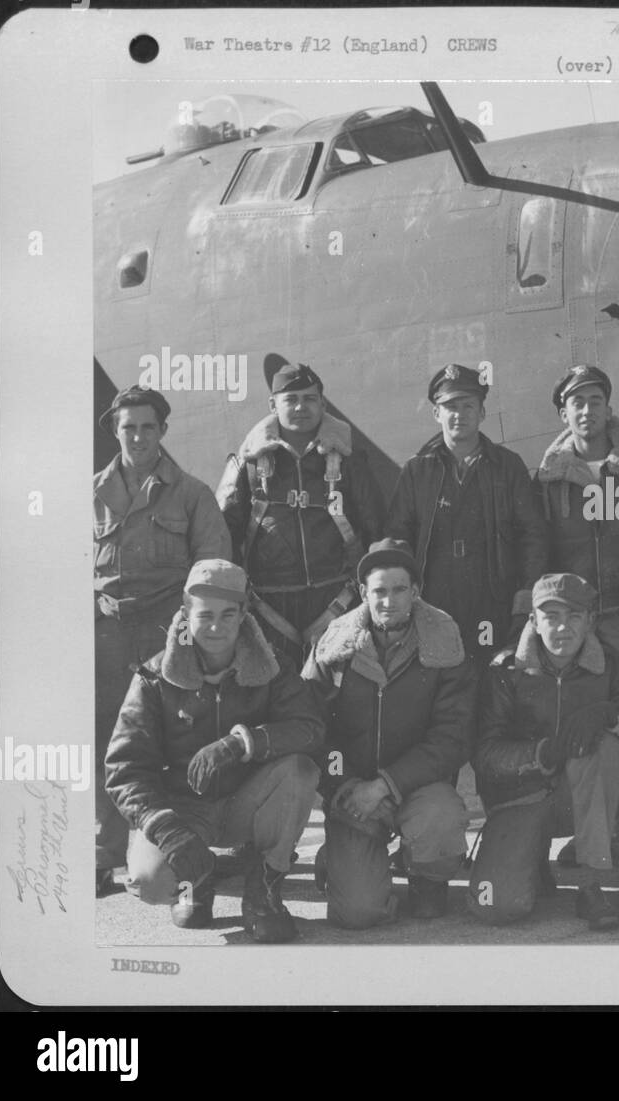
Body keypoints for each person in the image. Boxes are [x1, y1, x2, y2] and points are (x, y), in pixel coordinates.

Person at [104, 560, 324, 942]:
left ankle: (263, 890)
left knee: (300, 771)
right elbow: (124, 767)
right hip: (184, 810)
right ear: (186, 615)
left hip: (246, 803)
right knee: (149, 881)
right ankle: (196, 883)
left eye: (228, 614)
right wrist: (165, 827)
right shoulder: (154, 677)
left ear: (243, 615)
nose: (216, 627)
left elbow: (310, 730)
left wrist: (243, 743)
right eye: (204, 615)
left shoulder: (273, 667)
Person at [94, 385, 231, 896]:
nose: (138, 436)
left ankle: (180, 843)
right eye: (128, 426)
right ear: (115, 430)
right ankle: (104, 852)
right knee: (106, 739)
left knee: (172, 737)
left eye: (148, 426)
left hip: (165, 630)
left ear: (162, 431)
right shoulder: (90, 493)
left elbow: (213, 569)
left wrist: (188, 633)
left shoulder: (193, 494)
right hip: (106, 633)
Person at [467, 574, 619, 931]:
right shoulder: (505, 670)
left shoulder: (610, 667)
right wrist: (543, 753)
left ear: (590, 621)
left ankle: (591, 885)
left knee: (608, 749)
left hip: (579, 799)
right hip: (521, 798)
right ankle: (532, 861)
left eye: (574, 616)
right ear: (534, 621)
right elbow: (485, 755)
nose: (563, 627)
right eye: (551, 616)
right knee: (498, 906)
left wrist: (610, 716)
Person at [302, 539, 475, 928]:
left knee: (442, 818)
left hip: (418, 785)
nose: (388, 601)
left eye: (399, 590)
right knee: (359, 914)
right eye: (379, 591)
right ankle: (341, 854)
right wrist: (345, 784)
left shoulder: (445, 641)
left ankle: (427, 878)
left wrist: (384, 786)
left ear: (415, 592)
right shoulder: (334, 644)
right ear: (364, 593)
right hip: (352, 788)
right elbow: (310, 725)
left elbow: (453, 737)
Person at [217, 355, 386, 663]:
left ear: (322, 405)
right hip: (268, 606)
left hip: (337, 599)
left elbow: (376, 527)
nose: (300, 407)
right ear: (273, 405)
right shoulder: (247, 463)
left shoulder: (349, 461)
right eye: (291, 399)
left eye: (310, 399)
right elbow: (222, 534)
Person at [385, 363, 548, 665]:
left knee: (492, 675)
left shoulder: (507, 466)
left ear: (482, 413)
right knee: (440, 680)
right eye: (450, 406)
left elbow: (532, 536)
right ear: (437, 413)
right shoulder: (416, 471)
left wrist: (525, 595)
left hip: (493, 602)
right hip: (434, 603)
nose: (459, 414)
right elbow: (398, 537)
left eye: (468, 406)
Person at [533, 364, 619, 658]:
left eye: (595, 401)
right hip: (575, 625)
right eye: (577, 403)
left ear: (608, 410)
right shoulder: (547, 479)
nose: (587, 411)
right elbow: (538, 550)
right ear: (564, 415)